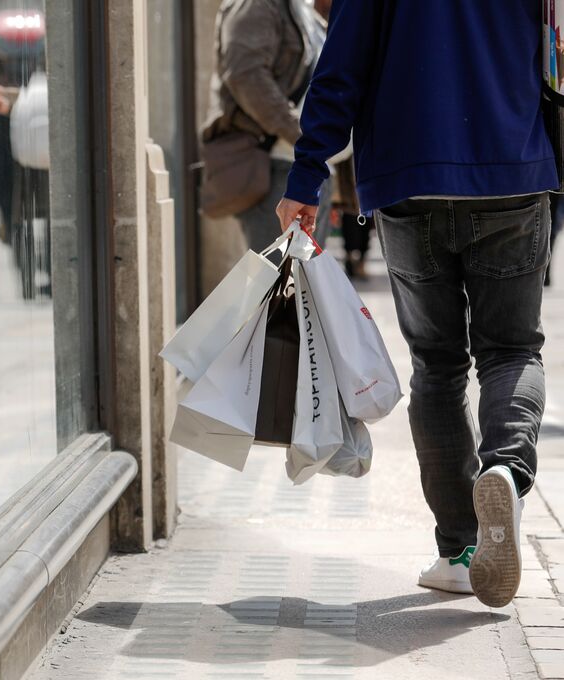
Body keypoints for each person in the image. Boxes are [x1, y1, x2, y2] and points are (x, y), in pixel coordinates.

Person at [277, 1, 556, 608]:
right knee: (511, 350)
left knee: (437, 365)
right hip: (512, 165)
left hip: (409, 179)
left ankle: (459, 550)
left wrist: (306, 176)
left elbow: (341, 67)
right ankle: (505, 469)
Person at [203, 0, 333, 255]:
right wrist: (303, 135)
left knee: (304, 285)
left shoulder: (300, 7)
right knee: (279, 284)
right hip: (276, 166)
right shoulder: (256, 4)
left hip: (306, 167)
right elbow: (245, 74)